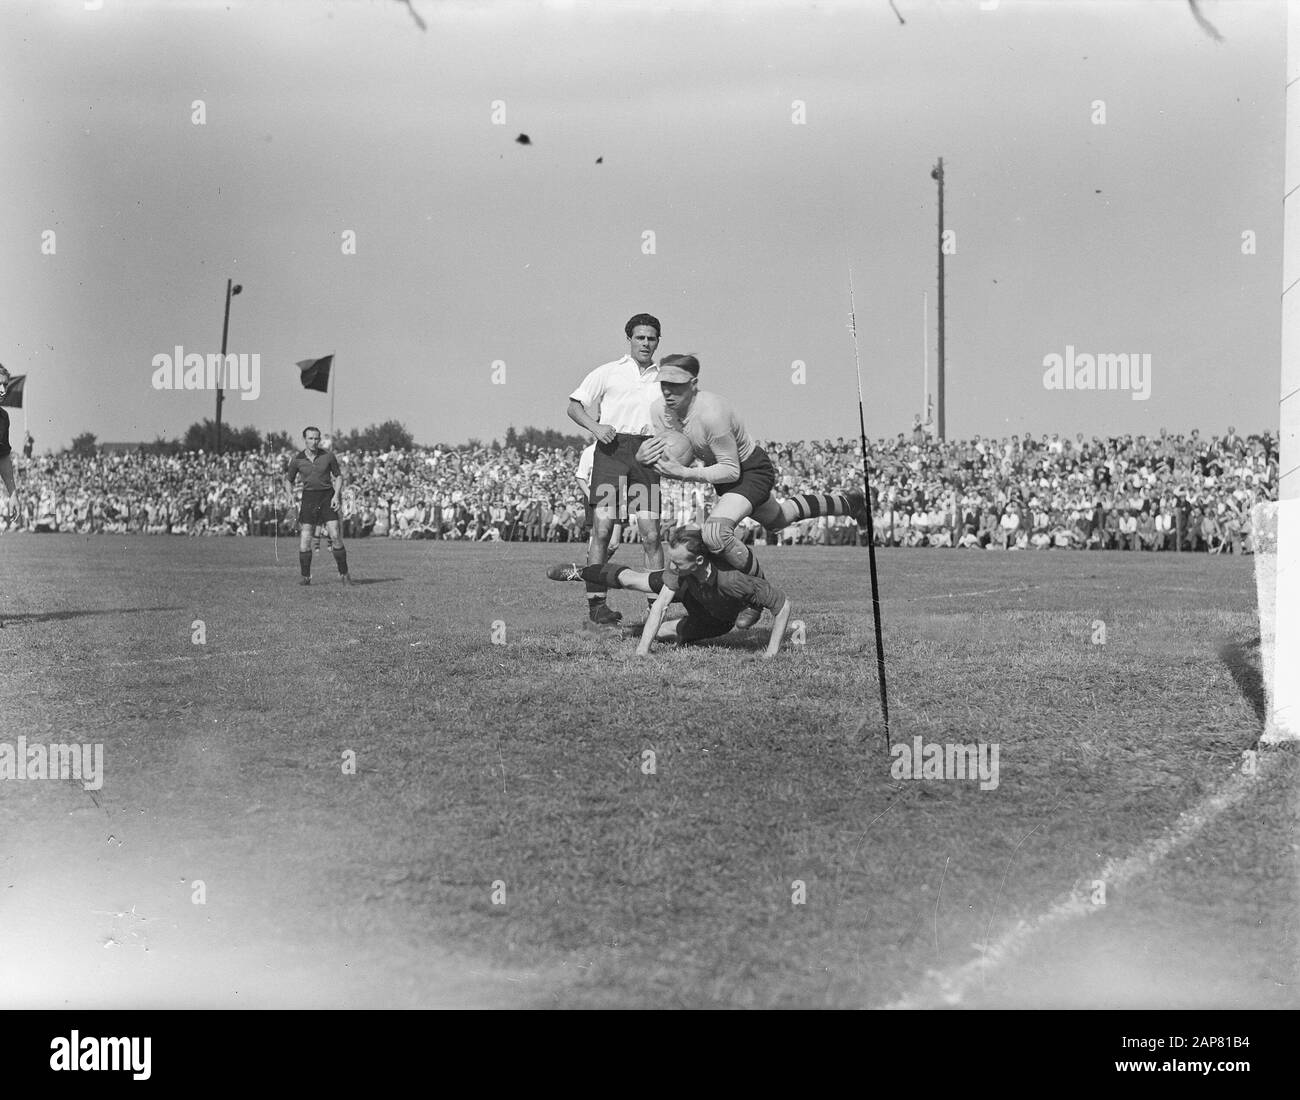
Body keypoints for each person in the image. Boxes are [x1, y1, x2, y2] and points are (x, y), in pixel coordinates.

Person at [639, 354, 869, 584]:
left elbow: (731, 470)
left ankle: (759, 593)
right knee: (780, 518)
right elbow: (678, 454)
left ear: (693, 384)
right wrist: (643, 457)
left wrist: (685, 474)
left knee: (714, 533)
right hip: (723, 475)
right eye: (664, 384)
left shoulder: (712, 413)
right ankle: (851, 503)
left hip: (750, 470)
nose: (668, 391)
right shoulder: (659, 410)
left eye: (676, 385)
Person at [546, 525, 793, 658]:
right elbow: (660, 606)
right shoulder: (679, 570)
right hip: (689, 588)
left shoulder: (732, 580)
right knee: (634, 581)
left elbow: (782, 606)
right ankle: (580, 572)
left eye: (677, 561)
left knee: (665, 633)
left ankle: (622, 632)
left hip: (716, 620)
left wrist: (771, 653)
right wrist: (642, 652)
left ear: (698, 561)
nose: (671, 565)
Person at [566, 314, 665, 627]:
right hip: (612, 451)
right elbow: (574, 406)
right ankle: (597, 606)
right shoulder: (609, 372)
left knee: (651, 534)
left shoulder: (665, 378)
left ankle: (655, 609)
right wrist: (596, 428)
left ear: (658, 341)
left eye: (651, 338)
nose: (645, 343)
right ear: (630, 340)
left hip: (647, 454)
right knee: (603, 529)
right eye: (640, 338)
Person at [285, 426, 351, 585]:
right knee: (305, 537)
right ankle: (305, 577)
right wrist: (289, 494)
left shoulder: (328, 456)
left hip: (327, 496)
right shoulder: (297, 459)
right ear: (304, 439)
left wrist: (336, 495)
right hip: (309, 498)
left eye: (316, 438)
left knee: (334, 534)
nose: (314, 441)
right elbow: (289, 480)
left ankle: (344, 573)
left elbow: (338, 477)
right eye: (310, 438)